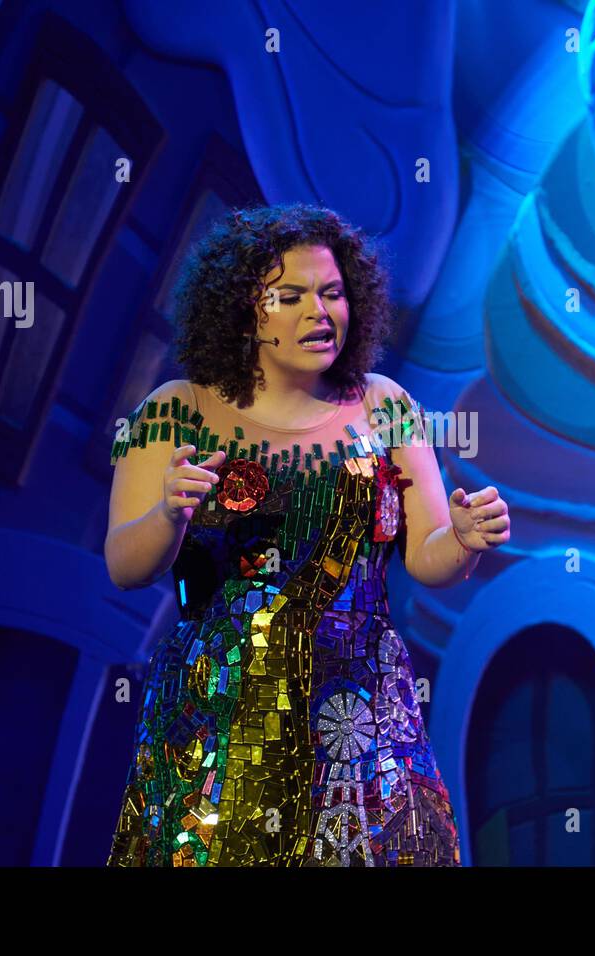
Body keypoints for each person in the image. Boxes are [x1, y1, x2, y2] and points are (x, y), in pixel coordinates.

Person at [103, 202, 510, 866]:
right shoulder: (177, 411)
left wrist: (461, 537)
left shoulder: (386, 406)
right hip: (223, 713)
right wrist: (168, 515)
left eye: (331, 293)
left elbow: (428, 557)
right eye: (289, 296)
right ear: (242, 309)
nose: (319, 312)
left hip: (358, 711)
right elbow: (124, 564)